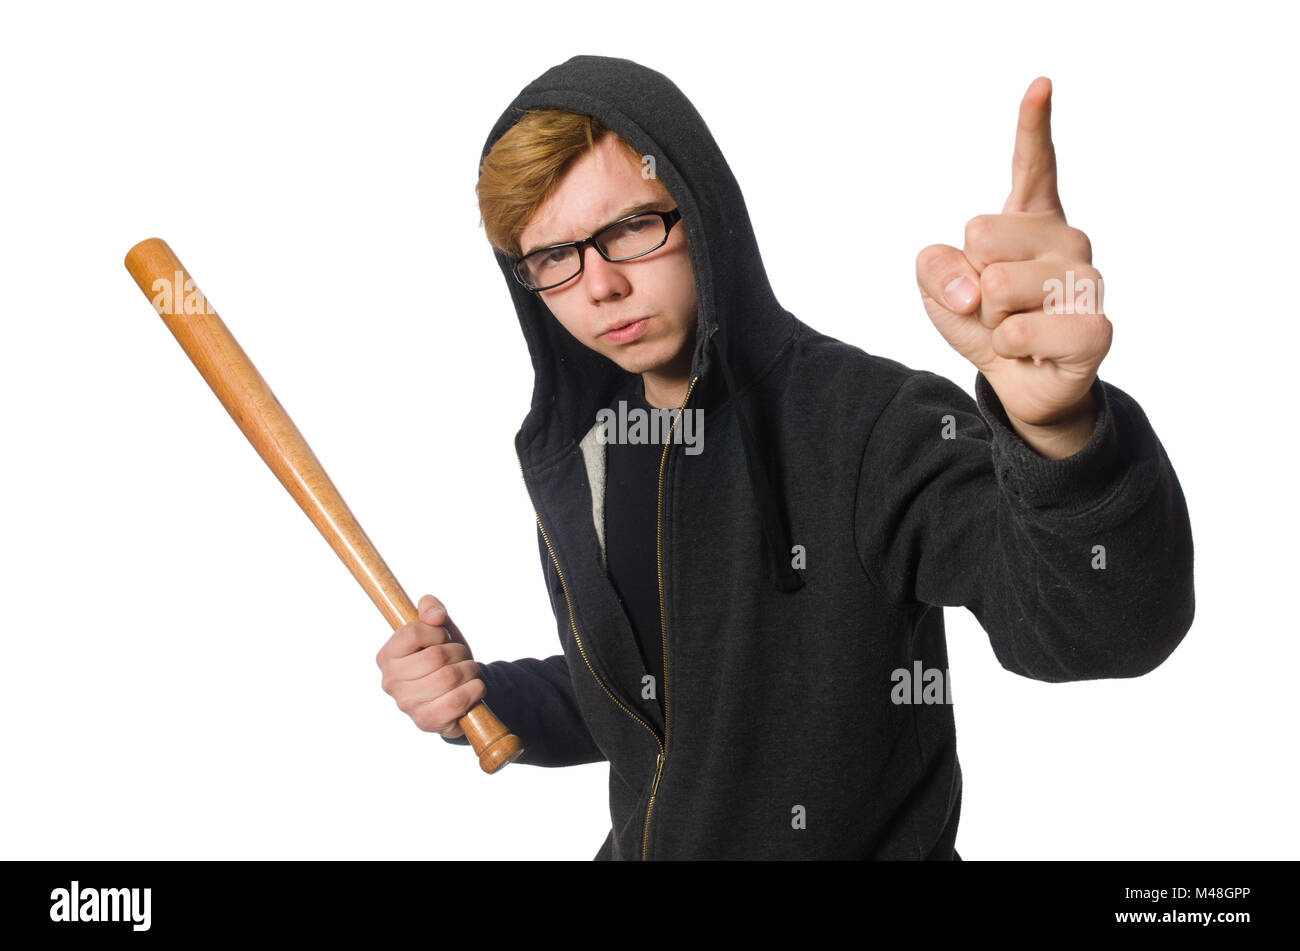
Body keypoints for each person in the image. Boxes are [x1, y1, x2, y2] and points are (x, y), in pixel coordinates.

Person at [375, 55, 1195, 860]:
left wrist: (1061, 436)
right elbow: (648, 704)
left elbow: (1100, 629)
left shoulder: (871, 422)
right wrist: (478, 695)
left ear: (703, 209)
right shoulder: (586, 451)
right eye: (554, 257)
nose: (598, 286)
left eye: (629, 228)